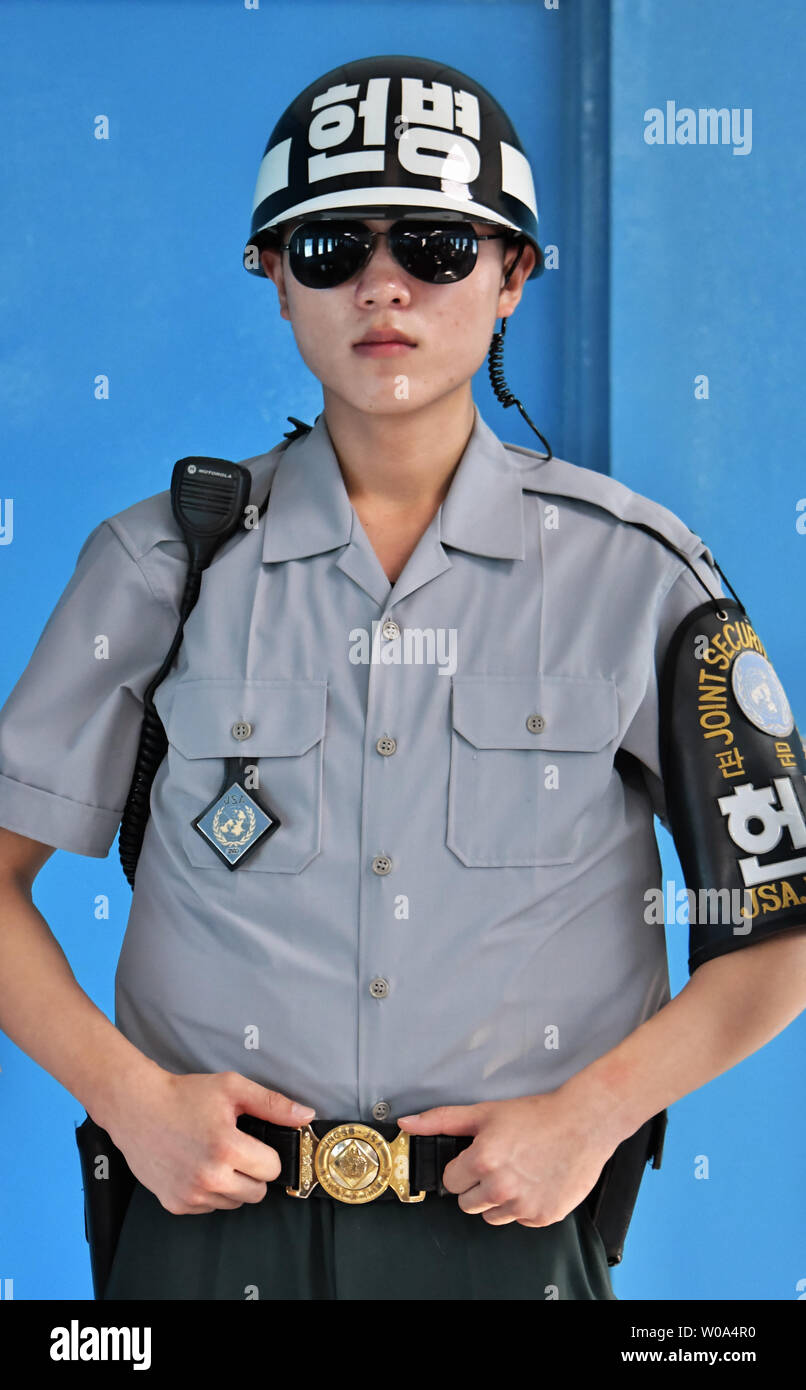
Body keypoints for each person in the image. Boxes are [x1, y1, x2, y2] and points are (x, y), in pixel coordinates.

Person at [1, 53, 805, 1304]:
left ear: (510, 275)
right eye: (328, 246)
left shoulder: (641, 577)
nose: (383, 284)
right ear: (272, 277)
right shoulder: (157, 564)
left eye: (434, 243)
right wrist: (131, 1099)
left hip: (508, 1231)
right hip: (205, 1232)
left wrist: (591, 1116)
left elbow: (778, 922)